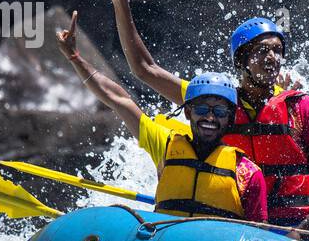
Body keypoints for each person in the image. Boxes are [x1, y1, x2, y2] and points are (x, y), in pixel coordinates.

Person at [106, 0, 309, 227]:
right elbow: (145, 69)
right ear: (241, 59)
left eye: (277, 51)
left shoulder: (299, 106)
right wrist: (121, 3)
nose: (273, 58)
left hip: (296, 226)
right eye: (263, 51)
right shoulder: (215, 104)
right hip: (231, 227)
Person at [55, 11, 267, 222]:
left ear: (230, 119)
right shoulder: (165, 146)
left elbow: (258, 234)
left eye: (219, 112)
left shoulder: (247, 172)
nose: (210, 118)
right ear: (187, 112)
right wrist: (74, 57)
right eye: (202, 110)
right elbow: (118, 99)